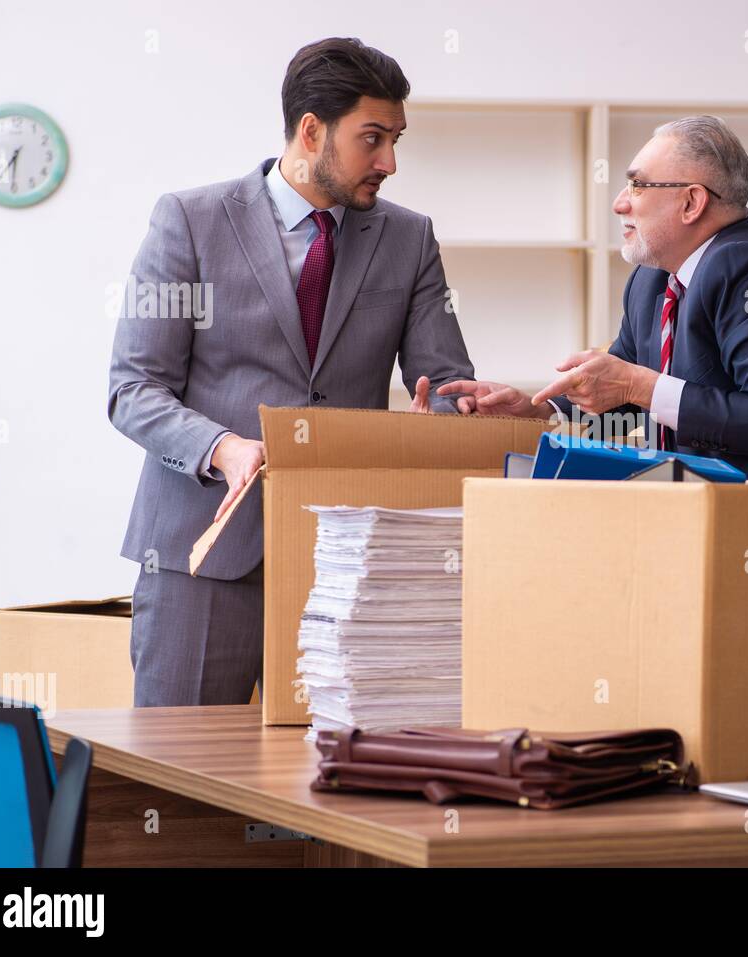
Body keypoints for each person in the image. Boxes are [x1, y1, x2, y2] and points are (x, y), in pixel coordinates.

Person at [108, 37, 475, 706]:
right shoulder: (187, 222)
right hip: (202, 551)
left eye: (396, 139)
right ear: (312, 130)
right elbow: (134, 388)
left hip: (345, 558)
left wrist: (441, 427)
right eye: (373, 138)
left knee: (331, 777)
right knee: (179, 777)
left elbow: (447, 384)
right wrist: (223, 447)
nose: (390, 162)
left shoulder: (410, 237)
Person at [439, 115, 748, 484]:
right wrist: (543, 408)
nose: (619, 203)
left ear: (692, 202)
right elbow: (626, 400)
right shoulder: (650, 280)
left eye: (638, 185)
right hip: (693, 520)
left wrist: (636, 383)